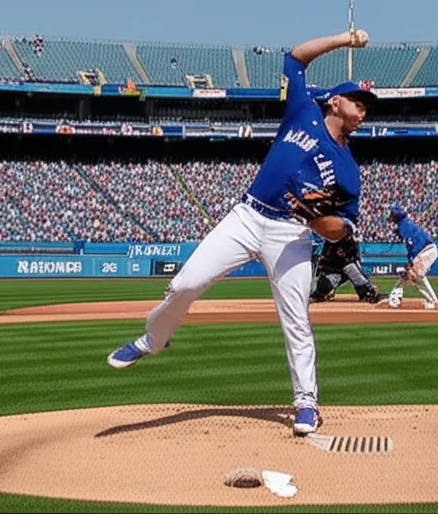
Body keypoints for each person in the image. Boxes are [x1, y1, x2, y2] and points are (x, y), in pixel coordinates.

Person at [107, 28, 376, 437]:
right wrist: (345, 39)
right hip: (247, 216)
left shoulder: (348, 169)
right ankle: (153, 339)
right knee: (185, 283)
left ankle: (306, 403)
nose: (364, 110)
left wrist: (314, 218)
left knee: (296, 320)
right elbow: (296, 57)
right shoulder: (303, 110)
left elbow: (342, 230)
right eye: (358, 101)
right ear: (335, 101)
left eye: (367, 106)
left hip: (291, 234)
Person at [386, 204, 438, 309]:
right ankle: (395, 298)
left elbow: (413, 247)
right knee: (408, 274)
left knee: (416, 275)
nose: (391, 220)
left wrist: (411, 263)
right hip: (425, 250)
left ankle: (433, 301)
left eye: (392, 218)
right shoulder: (405, 223)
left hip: (426, 250)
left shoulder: (404, 228)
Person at [310, 235, 383, 304]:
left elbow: (353, 260)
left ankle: (367, 290)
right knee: (318, 292)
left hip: (347, 266)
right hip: (331, 271)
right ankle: (325, 291)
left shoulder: (348, 241)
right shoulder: (322, 242)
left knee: (352, 270)